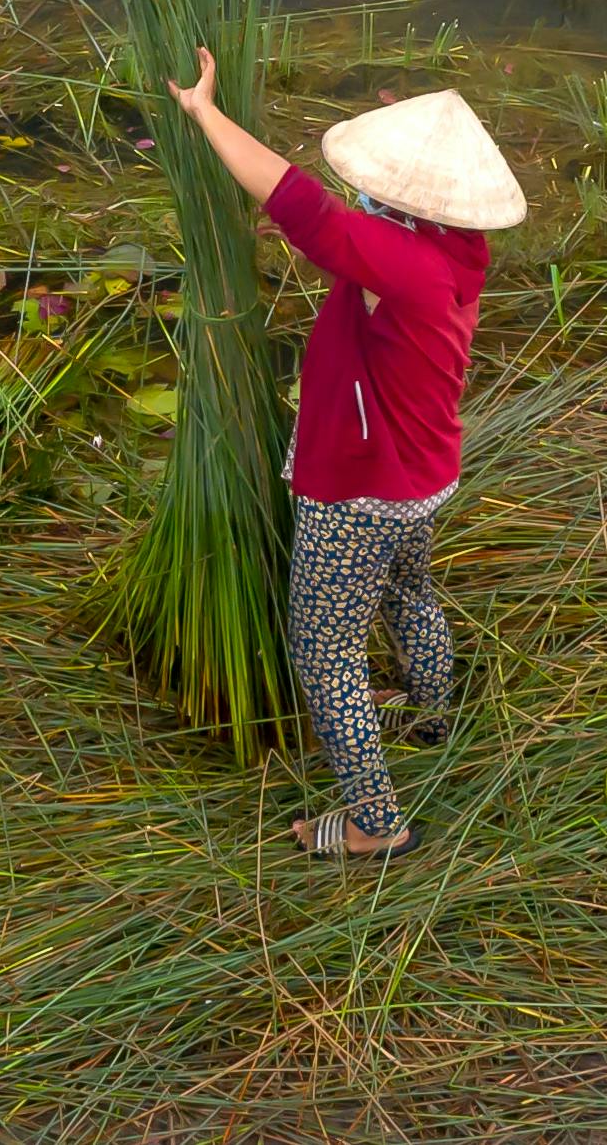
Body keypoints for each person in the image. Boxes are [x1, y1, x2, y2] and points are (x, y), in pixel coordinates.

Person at [163, 52, 526, 863]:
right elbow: (339, 235)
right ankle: (431, 713)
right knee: (410, 592)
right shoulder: (455, 252)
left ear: (399, 199)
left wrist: (205, 113)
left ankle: (375, 820)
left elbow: (302, 205)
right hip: (425, 477)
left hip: (360, 492)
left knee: (324, 654)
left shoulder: (399, 262)